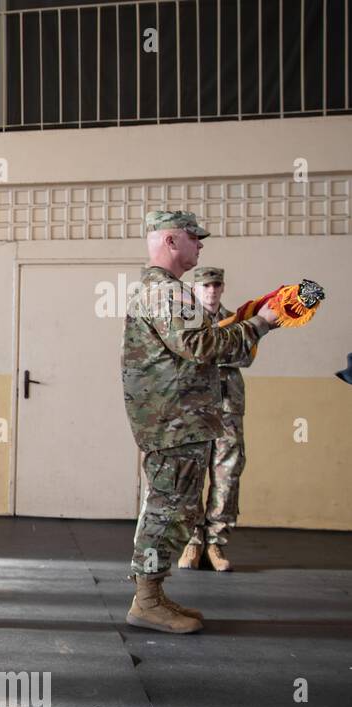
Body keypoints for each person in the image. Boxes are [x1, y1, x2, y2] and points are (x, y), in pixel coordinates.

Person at [122, 213, 280, 634]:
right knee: (168, 508)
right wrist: (260, 323)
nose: (201, 244)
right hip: (175, 421)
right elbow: (200, 345)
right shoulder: (167, 291)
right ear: (171, 241)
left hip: (179, 419)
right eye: (194, 237)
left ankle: (153, 594)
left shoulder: (164, 290)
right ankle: (146, 601)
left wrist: (248, 322)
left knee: (177, 507)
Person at [178, 266, 247, 572]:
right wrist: (220, 348)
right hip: (193, 408)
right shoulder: (183, 321)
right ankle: (193, 542)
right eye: (205, 285)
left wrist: (206, 351)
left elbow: (246, 354)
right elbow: (182, 356)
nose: (211, 291)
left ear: (223, 287)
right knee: (191, 474)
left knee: (227, 473)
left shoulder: (237, 320)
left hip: (228, 407)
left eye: (216, 285)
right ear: (195, 289)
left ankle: (216, 543)